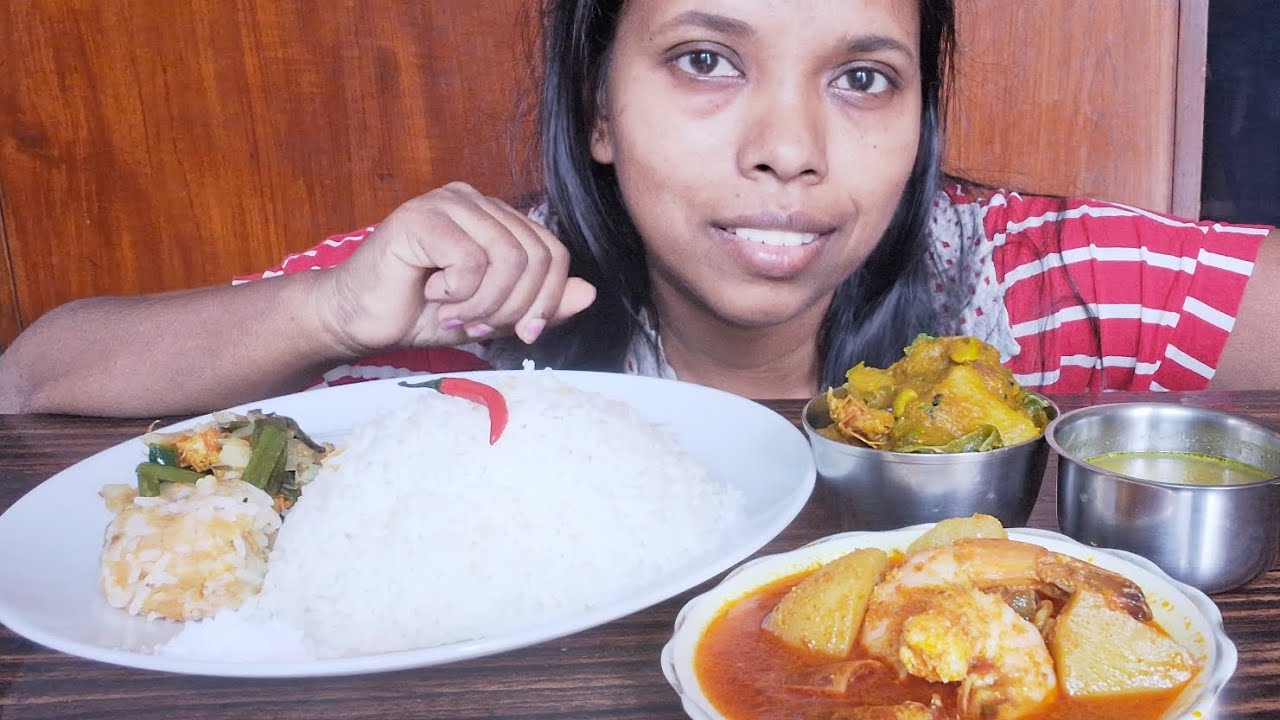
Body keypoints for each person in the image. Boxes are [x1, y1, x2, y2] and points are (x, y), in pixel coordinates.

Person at [0, 0, 1276, 418]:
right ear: (596, 111)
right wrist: (328, 313)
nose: (788, 152)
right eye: (705, 61)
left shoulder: (1046, 278)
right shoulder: (474, 285)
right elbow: (34, 377)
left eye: (861, 79)